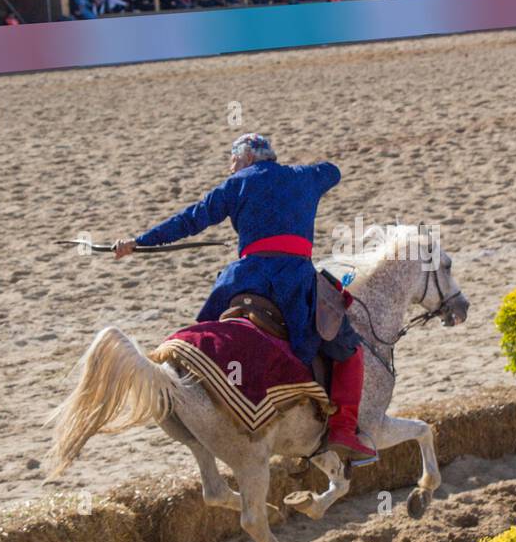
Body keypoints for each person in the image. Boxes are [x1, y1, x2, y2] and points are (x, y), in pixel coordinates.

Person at [112, 134, 376, 464]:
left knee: (208, 336)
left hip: (243, 280)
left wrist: (139, 242)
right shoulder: (305, 176)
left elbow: (189, 220)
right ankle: (342, 431)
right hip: (294, 281)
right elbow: (333, 171)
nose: (230, 167)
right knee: (347, 346)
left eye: (233, 161)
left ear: (248, 158)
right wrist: (297, 177)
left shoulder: (237, 183)